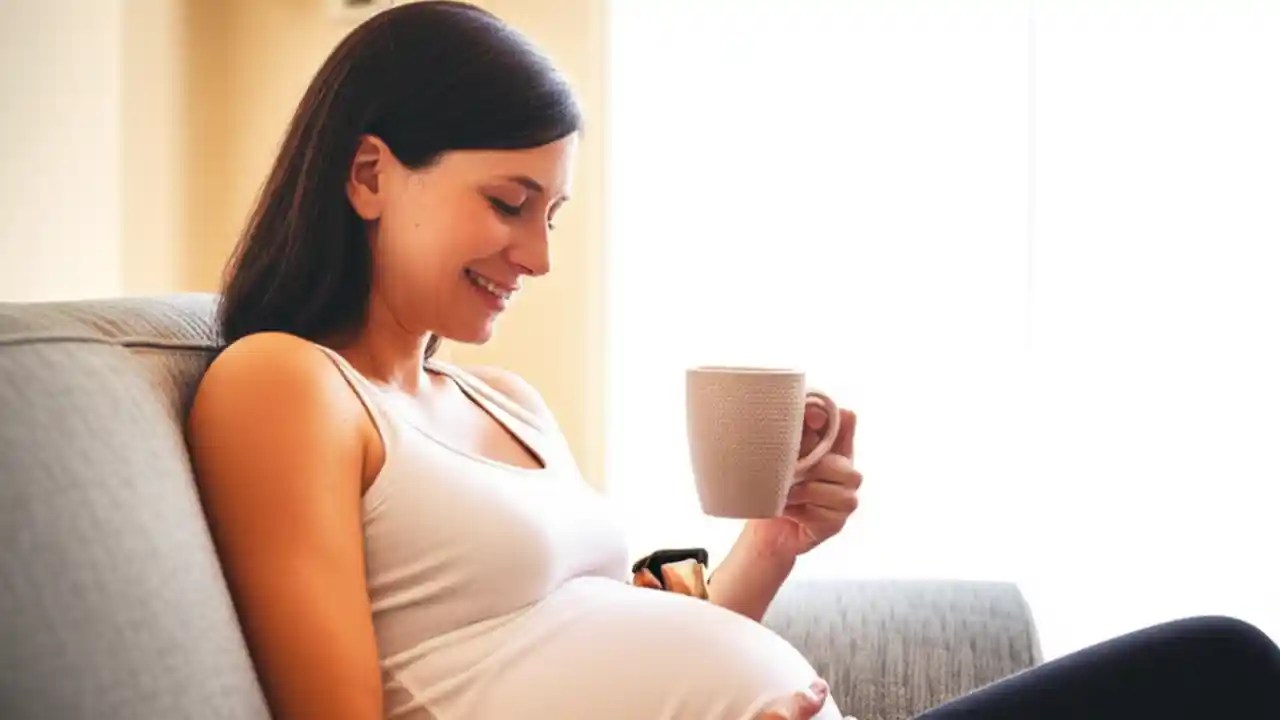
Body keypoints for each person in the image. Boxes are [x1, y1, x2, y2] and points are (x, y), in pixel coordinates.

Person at [185, 3, 1279, 719]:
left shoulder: (501, 400)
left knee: (1218, 666)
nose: (538, 255)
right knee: (1220, 673)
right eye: (508, 204)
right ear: (370, 173)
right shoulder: (286, 387)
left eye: (554, 212)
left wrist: (770, 543)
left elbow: (629, 644)